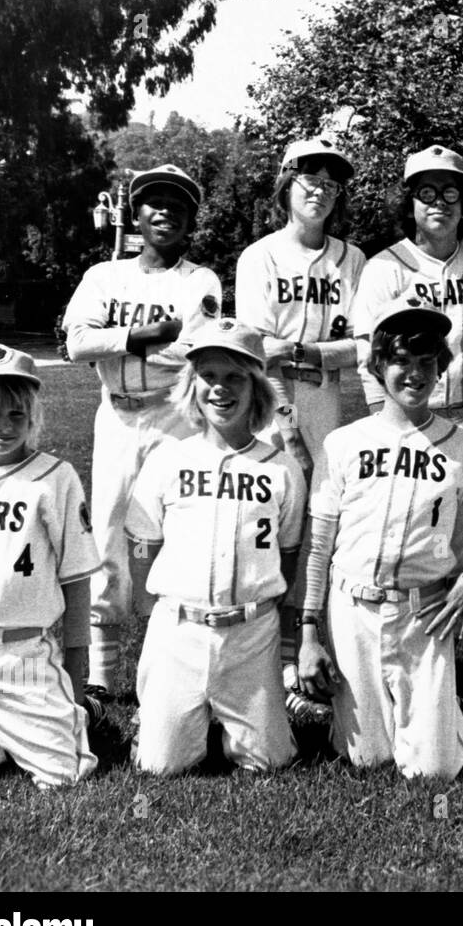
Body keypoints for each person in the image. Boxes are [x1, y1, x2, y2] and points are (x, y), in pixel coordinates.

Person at [298, 296, 463, 779]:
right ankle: (373, 709)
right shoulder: (344, 442)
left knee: (434, 772)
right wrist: (309, 633)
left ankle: (442, 701)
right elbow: (319, 546)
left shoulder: (462, 445)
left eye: (427, 362)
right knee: (366, 759)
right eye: (401, 361)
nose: (414, 374)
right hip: (353, 610)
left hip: (424, 612)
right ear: (376, 366)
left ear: (441, 368)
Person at [62, 164, 222, 700]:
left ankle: (169, 661)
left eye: (178, 206)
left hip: (174, 413)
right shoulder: (104, 276)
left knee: (173, 532)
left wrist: (118, 338)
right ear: (136, 214)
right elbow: (76, 343)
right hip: (118, 414)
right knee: (106, 534)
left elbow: (195, 348)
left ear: (190, 220)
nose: (165, 213)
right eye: (154, 202)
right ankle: (102, 677)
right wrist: (140, 335)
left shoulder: (200, 281)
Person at [126, 320, 304, 774]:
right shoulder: (169, 458)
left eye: (234, 377)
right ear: (192, 385)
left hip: (250, 632)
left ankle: (244, 717)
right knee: (158, 766)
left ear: (256, 387)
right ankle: (170, 714)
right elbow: (143, 543)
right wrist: (153, 616)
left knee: (270, 762)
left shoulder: (280, 467)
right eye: (208, 376)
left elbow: (287, 554)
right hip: (179, 627)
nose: (220, 389)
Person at [236, 137, 365, 726]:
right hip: (271, 404)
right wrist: (285, 420)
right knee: (274, 523)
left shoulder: (354, 260)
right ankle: (268, 661)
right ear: (286, 186)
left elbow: (365, 346)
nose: (318, 191)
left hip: (326, 400)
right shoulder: (260, 256)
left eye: (331, 183)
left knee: (320, 525)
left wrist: (308, 351)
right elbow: (256, 349)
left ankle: (302, 655)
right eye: (307, 179)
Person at [0, 345, 98, 787]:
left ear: (33, 418)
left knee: (63, 774)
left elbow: (77, 577)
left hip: (21, 655)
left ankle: (71, 707)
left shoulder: (54, 477)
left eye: (16, 414)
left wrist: (76, 669)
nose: (1, 426)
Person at [352, 144, 463, 472]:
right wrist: (380, 420)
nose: (439, 202)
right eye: (426, 192)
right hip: (411, 418)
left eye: (450, 192)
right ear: (408, 203)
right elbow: (367, 354)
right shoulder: (384, 266)